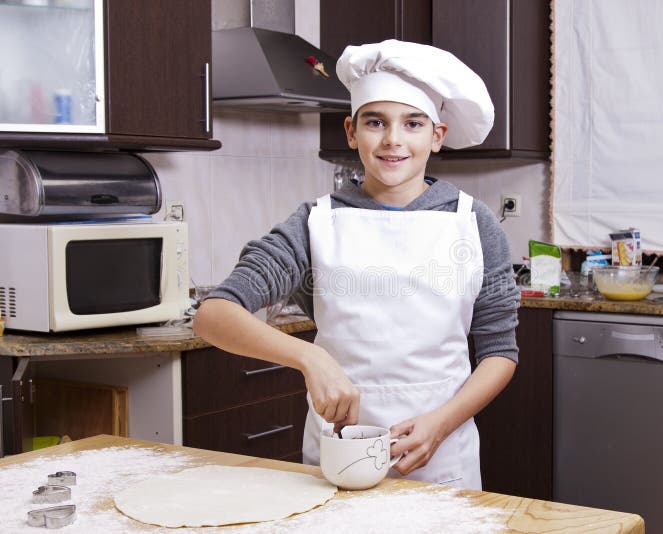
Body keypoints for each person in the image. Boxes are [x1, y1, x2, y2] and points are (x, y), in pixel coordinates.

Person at [193, 39, 519, 490]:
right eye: (375, 122)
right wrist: (310, 358)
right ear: (351, 131)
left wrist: (442, 423)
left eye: (413, 123)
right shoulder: (315, 223)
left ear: (437, 135)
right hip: (338, 457)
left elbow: (500, 352)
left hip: (443, 458)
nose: (393, 140)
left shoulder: (474, 223)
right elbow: (212, 315)